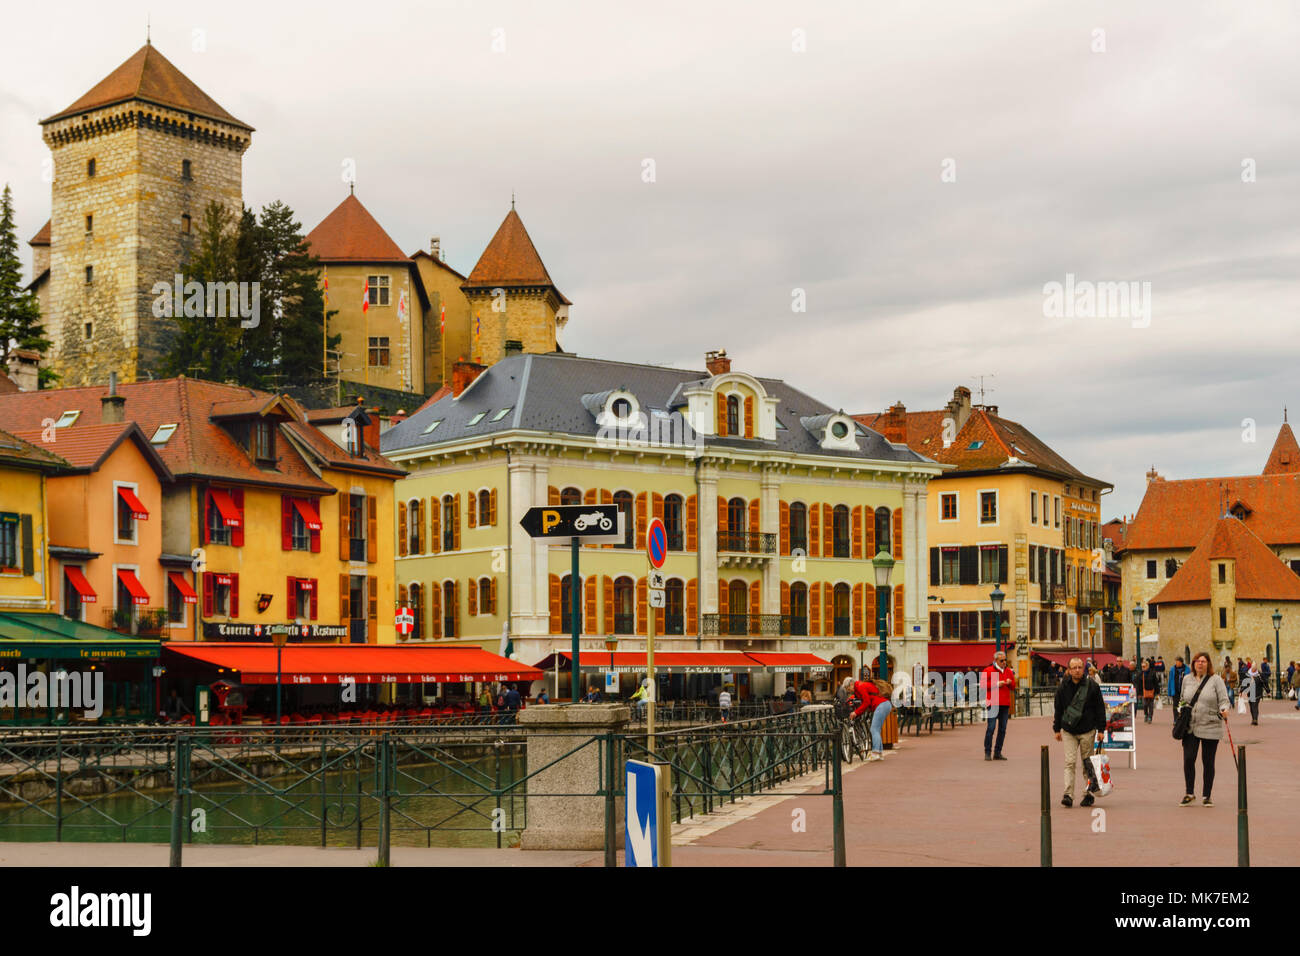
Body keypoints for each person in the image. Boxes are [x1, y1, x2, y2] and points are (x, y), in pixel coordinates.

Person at [1052, 657, 1107, 808]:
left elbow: (1100, 709)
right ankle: (1068, 794)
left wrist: (1101, 729)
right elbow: (1058, 709)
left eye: (1079, 667)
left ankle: (1088, 794)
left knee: (1086, 764)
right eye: (1074, 668)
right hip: (1069, 730)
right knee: (1069, 762)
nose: (1077, 670)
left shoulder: (1092, 686)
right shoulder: (1063, 688)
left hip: (1087, 730)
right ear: (1069, 670)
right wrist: (1056, 729)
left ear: (1083, 668)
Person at [1177, 651, 1230, 807]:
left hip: (1211, 724)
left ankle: (1207, 795)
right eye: (1197, 661)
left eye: (1203, 661)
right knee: (1188, 759)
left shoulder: (1216, 680)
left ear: (1208, 664)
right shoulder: (1187, 679)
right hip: (1190, 726)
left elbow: (1224, 700)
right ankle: (1189, 793)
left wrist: (1224, 709)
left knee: (1208, 762)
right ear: (1193, 664)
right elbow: (1181, 699)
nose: (1200, 663)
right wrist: (1181, 709)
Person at [845, 676, 892, 762]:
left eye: (848, 688)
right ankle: (879, 753)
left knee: (874, 729)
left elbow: (866, 702)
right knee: (876, 730)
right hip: (885, 704)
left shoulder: (860, 686)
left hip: (881, 705)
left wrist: (856, 712)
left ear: (851, 684)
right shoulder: (861, 686)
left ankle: (875, 753)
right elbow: (863, 698)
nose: (849, 691)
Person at [981, 650, 1015, 761]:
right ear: (996, 660)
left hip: (1005, 703)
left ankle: (997, 752)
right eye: (1002, 660)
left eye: (1005, 660)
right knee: (991, 728)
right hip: (993, 702)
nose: (1004, 662)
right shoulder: (988, 670)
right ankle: (987, 752)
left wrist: (1010, 682)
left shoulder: (1009, 671)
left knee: (1002, 729)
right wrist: (996, 684)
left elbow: (1013, 687)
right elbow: (983, 685)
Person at [1137, 659, 1158, 723]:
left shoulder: (1152, 673)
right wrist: (1139, 693)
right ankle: (1146, 714)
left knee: (1151, 705)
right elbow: (1139, 684)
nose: (1143, 668)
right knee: (1145, 704)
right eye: (1142, 667)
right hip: (1143, 692)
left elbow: (1156, 683)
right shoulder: (1140, 674)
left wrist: (1157, 692)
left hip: (1151, 691)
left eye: (1144, 666)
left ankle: (1150, 717)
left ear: (1147, 666)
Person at [1244, 659, 1262, 725]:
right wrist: (1241, 691)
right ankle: (1253, 718)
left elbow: (1264, 682)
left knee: (1255, 706)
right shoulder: (1247, 674)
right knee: (1251, 706)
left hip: (1257, 693)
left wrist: (1268, 691)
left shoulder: (1259, 674)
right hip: (1250, 693)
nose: (1254, 668)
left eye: (1255, 667)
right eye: (1253, 667)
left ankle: (1255, 719)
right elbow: (1244, 683)